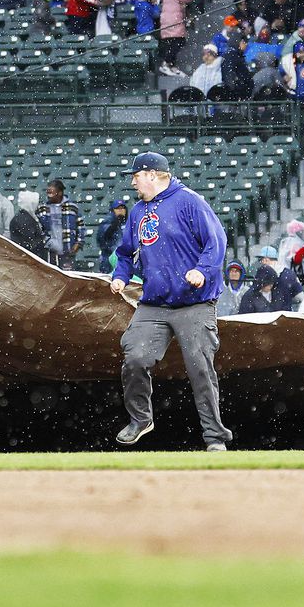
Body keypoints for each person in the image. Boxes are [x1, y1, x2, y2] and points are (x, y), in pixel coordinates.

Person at [109, 151, 233, 451]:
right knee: (135, 358)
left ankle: (215, 439)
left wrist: (202, 271)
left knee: (200, 369)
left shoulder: (190, 201)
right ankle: (141, 419)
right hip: (154, 303)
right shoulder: (138, 211)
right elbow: (126, 253)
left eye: (136, 176)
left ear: (153, 175)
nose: (133, 182)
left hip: (194, 303)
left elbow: (216, 241)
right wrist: (120, 275)